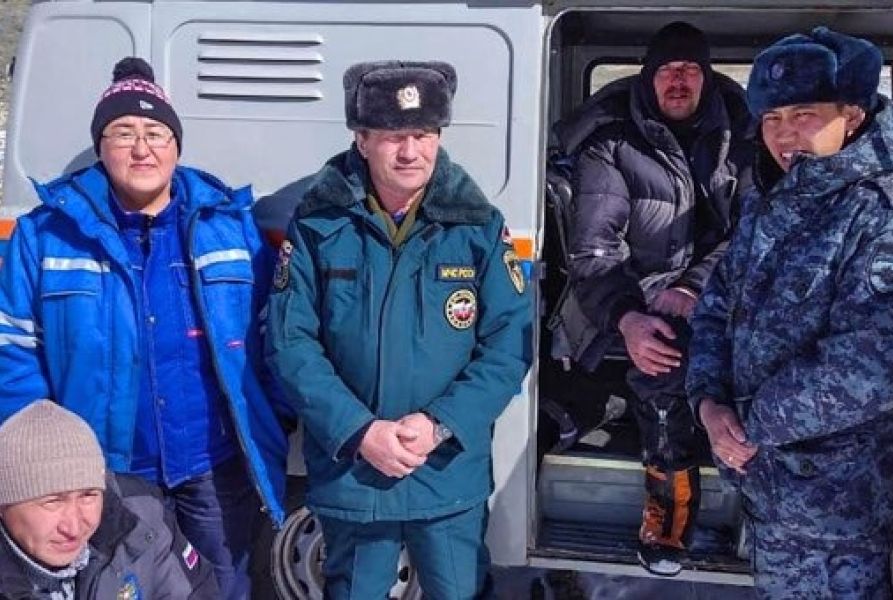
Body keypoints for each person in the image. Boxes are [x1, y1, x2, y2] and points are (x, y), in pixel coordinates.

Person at [0, 57, 292, 598]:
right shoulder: (45, 236)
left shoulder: (228, 225)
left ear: (176, 145)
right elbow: (13, 352)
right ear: (101, 147)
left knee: (221, 586)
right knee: (116, 586)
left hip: (214, 467)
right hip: (105, 473)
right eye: (123, 133)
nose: (141, 148)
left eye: (156, 133)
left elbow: (273, 333)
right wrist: (48, 460)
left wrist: (276, 415)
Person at [687, 27, 893, 598]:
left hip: (836, 511)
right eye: (772, 118)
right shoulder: (769, 200)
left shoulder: (885, 214)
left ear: (852, 115)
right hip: (766, 488)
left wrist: (748, 425)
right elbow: (716, 308)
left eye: (804, 114)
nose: (784, 133)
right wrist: (707, 403)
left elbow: (870, 367)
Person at [266, 60, 532, 599]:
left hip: (446, 471)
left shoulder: (477, 226)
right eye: (393, 136)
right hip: (355, 472)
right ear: (362, 141)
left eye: (423, 134)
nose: (411, 151)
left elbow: (509, 345)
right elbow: (290, 343)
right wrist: (360, 432)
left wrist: (439, 425)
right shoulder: (319, 226)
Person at [551, 21, 753, 575]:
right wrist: (627, 317)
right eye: (667, 70)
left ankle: (763, 507)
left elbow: (752, 233)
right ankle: (669, 512)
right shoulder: (611, 141)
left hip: (722, 288)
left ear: (707, 76)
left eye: (689, 69)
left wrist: (694, 286)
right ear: (648, 77)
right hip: (633, 293)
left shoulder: (745, 134)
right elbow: (594, 248)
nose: (678, 80)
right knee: (663, 357)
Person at [0, 400, 218, 599]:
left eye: (88, 495)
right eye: (53, 502)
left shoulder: (140, 514)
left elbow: (196, 591)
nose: (74, 528)